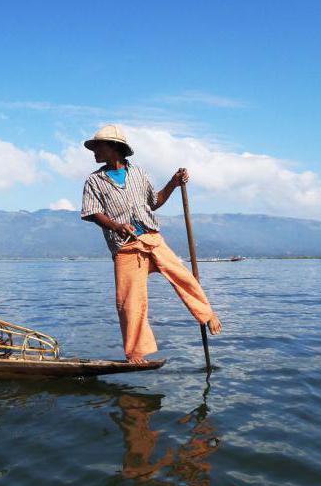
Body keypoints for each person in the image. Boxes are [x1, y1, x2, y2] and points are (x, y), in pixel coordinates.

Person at [80, 124, 222, 364]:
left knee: (182, 276)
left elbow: (154, 202)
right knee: (129, 301)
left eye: (98, 147)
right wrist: (116, 225)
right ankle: (136, 352)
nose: (94, 151)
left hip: (152, 238)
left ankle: (207, 315)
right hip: (125, 246)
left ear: (115, 148)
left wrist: (173, 183)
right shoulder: (94, 181)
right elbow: (92, 213)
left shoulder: (139, 173)